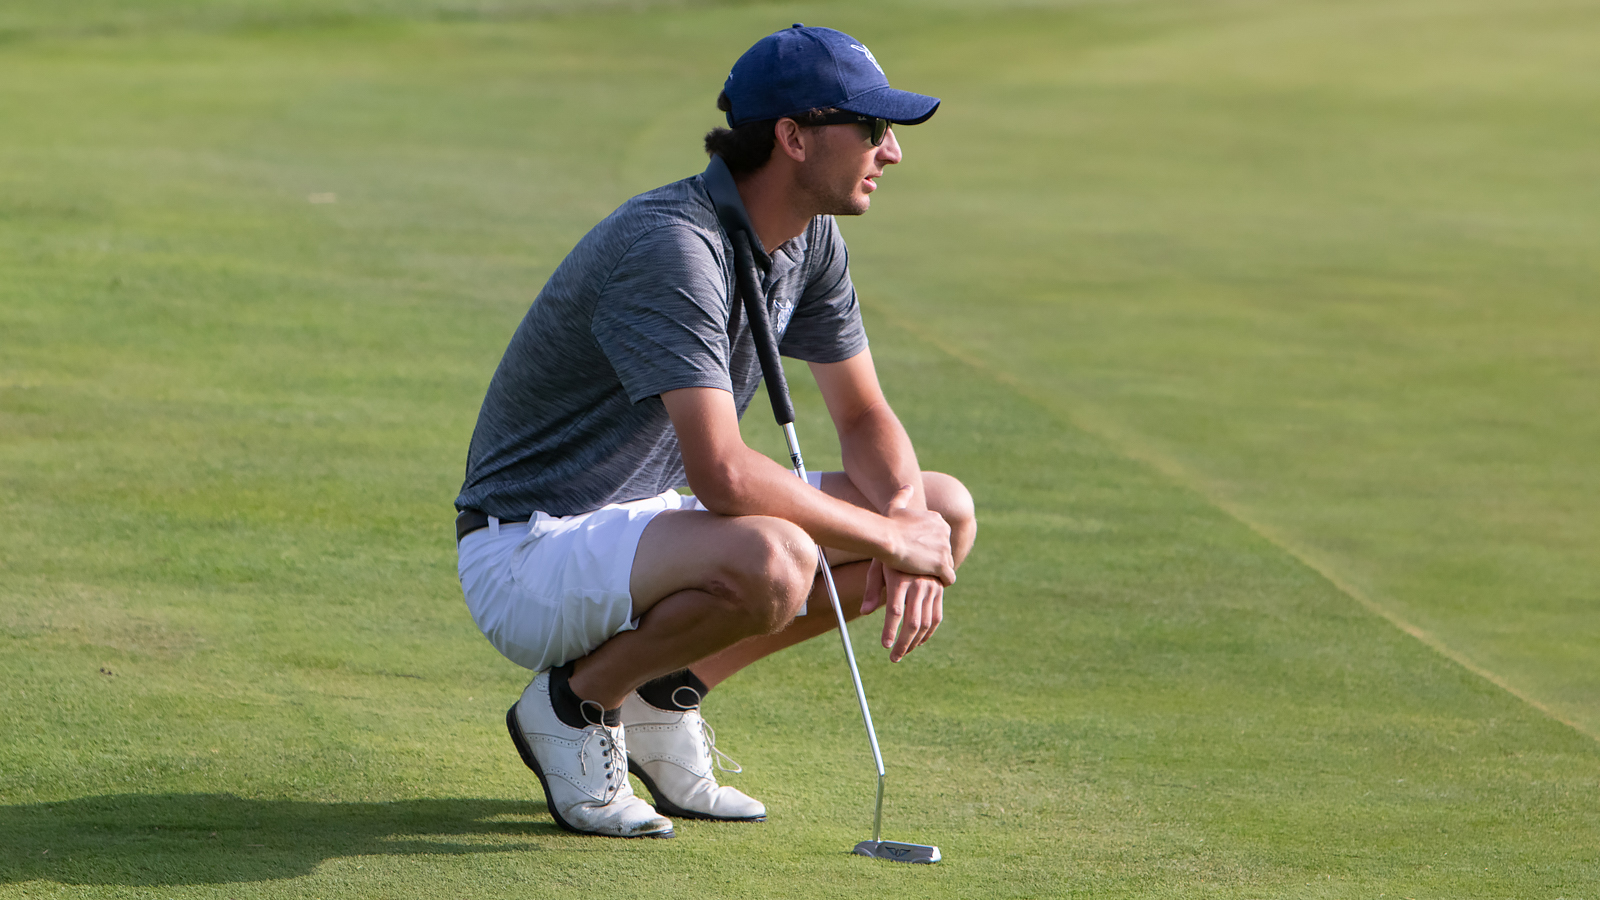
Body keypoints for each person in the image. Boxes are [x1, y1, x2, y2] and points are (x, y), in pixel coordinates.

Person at [453, 24, 976, 839]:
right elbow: (724, 474)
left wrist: (906, 521)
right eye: (872, 127)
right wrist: (887, 538)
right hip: (529, 546)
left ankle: (664, 694)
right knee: (776, 557)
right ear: (794, 138)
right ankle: (575, 704)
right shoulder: (674, 247)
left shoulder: (809, 238)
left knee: (943, 509)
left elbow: (863, 416)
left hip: (650, 522)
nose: (893, 151)